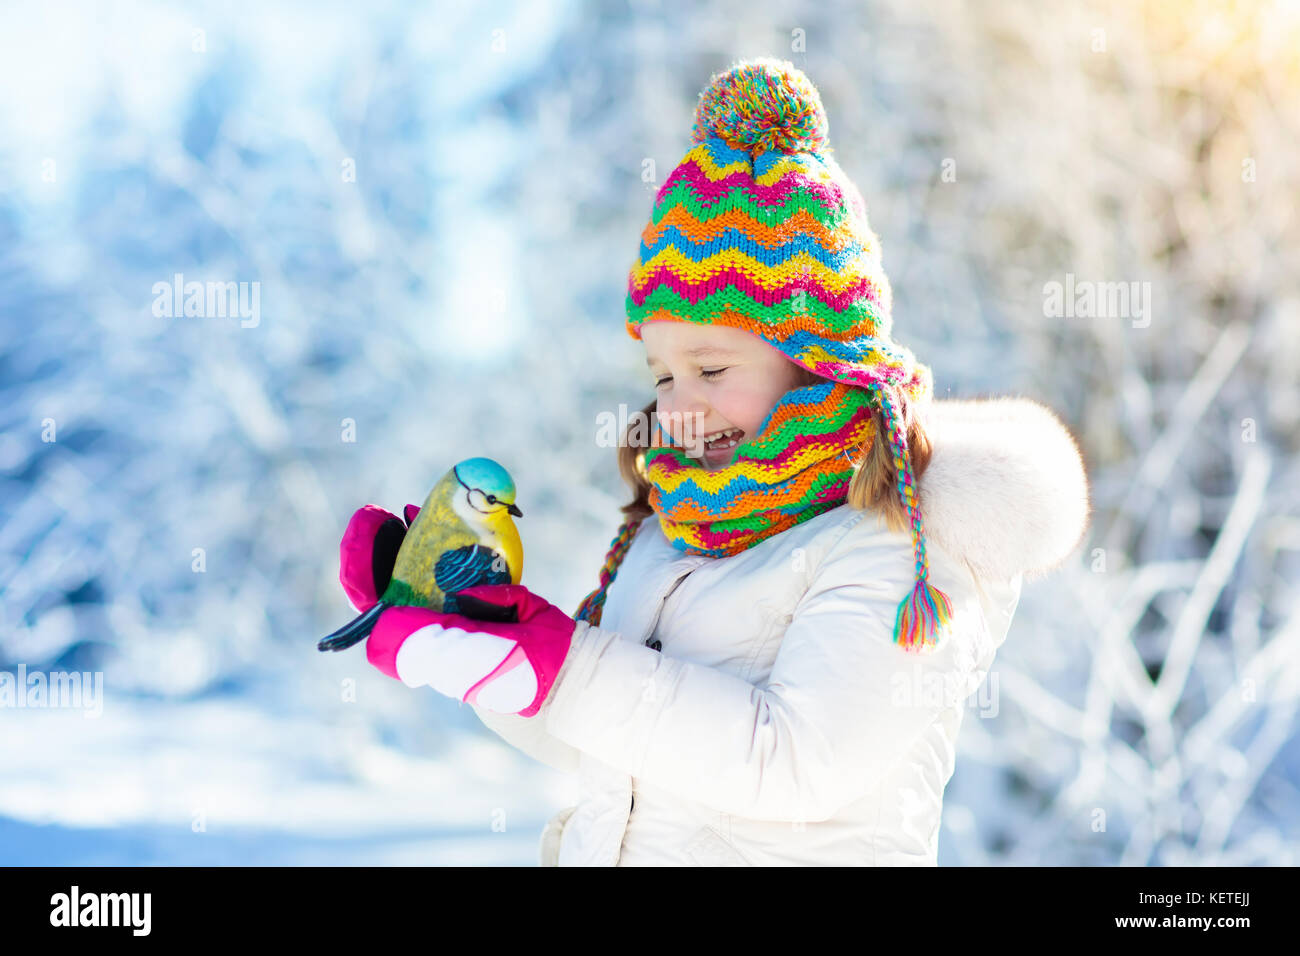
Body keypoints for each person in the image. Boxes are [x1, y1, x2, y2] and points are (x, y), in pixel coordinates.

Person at [344, 57, 1091, 866]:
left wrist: (564, 668)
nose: (676, 406)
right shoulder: (676, 536)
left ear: (821, 362)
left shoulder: (900, 539)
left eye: (711, 369)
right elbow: (612, 740)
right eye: (663, 375)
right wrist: (489, 639)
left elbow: (795, 761)